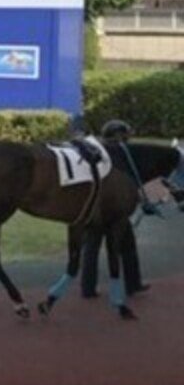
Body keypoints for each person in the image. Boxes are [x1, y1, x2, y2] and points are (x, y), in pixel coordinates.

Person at [82, 120, 146, 298]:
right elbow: (126, 182)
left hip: (94, 209)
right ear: (118, 135)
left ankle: (87, 288)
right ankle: (133, 284)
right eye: (125, 134)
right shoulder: (121, 154)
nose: (127, 138)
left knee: (91, 247)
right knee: (128, 247)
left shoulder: (94, 151)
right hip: (115, 211)